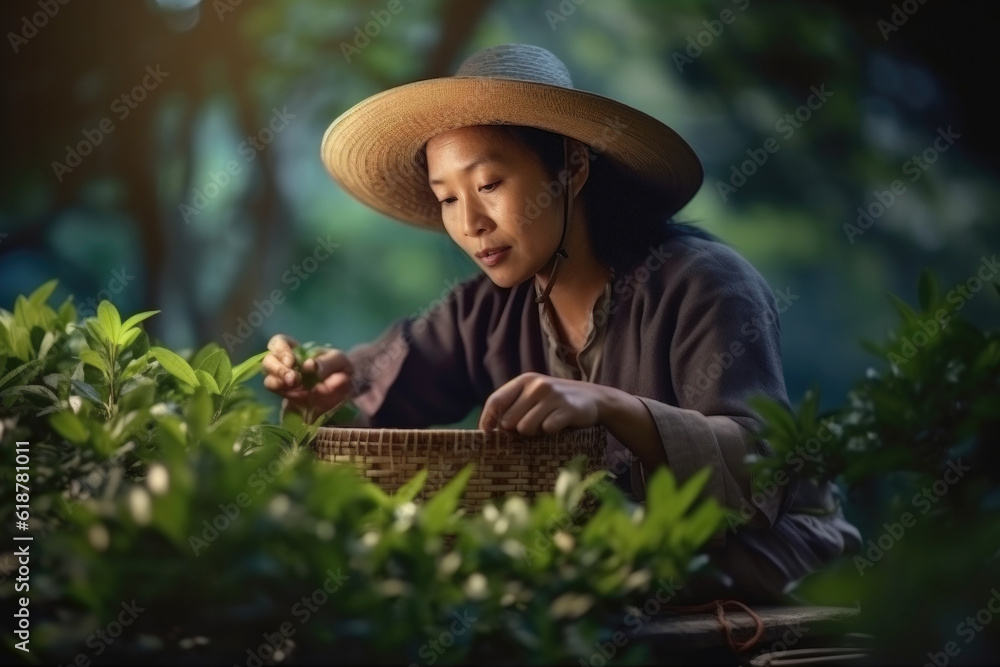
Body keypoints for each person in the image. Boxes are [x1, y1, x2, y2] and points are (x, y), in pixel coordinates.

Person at [262, 43, 860, 602]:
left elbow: (762, 467)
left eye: (490, 183)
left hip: (757, 558)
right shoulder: (484, 310)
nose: (470, 221)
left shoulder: (705, 284)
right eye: (447, 197)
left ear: (572, 166)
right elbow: (373, 393)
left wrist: (612, 406)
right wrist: (320, 393)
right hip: (592, 566)